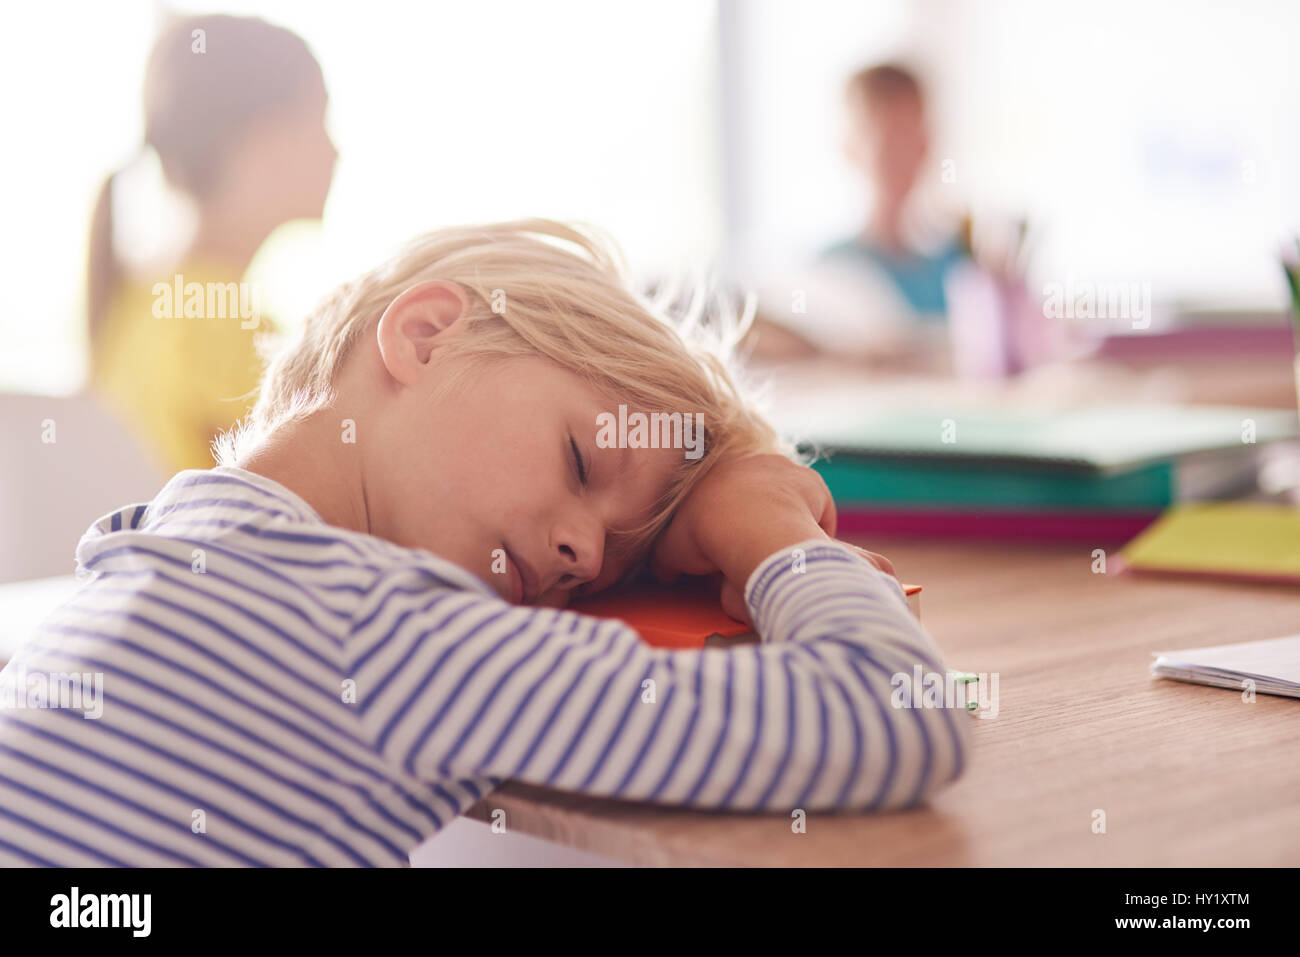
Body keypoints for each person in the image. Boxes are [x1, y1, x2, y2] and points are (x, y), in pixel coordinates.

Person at [0, 220, 968, 866]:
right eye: (585, 462)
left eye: (615, 565)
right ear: (425, 336)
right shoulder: (385, 632)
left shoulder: (148, 544)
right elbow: (900, 714)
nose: (584, 557)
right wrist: (771, 533)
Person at [86, 14, 337, 473]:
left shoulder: (145, 297)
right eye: (319, 121)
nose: (335, 150)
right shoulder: (221, 320)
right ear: (262, 144)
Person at [822, 62, 965, 320]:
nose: (903, 154)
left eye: (913, 138)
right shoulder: (832, 271)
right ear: (850, 148)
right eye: (888, 140)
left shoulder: (955, 266)